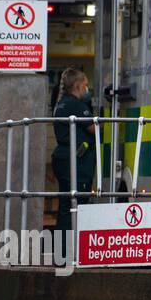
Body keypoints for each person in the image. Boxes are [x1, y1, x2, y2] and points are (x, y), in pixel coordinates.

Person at [52, 68, 96, 232]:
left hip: (64, 158)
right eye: (85, 85)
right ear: (77, 85)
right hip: (75, 161)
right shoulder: (75, 104)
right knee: (77, 205)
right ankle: (68, 251)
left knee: (66, 206)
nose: (87, 89)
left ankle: (62, 251)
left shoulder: (61, 103)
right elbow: (93, 128)